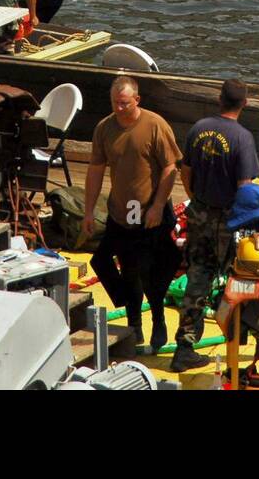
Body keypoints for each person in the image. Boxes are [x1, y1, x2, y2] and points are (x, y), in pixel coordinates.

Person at [81, 76, 182, 352]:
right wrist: (89, 211)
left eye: (124, 103)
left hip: (151, 213)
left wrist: (158, 206)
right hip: (120, 214)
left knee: (151, 274)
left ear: (137, 100)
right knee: (110, 264)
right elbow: (95, 170)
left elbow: (170, 168)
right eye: (115, 103)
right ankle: (133, 321)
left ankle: (158, 320)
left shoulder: (154, 125)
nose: (119, 108)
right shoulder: (104, 128)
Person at [170, 79, 259, 372]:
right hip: (230, 219)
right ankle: (240, 342)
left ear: (219, 99)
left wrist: (196, 200)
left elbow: (185, 172)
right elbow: (245, 187)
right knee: (241, 278)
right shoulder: (243, 138)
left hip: (200, 214)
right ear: (244, 104)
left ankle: (184, 348)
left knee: (198, 278)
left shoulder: (198, 129)